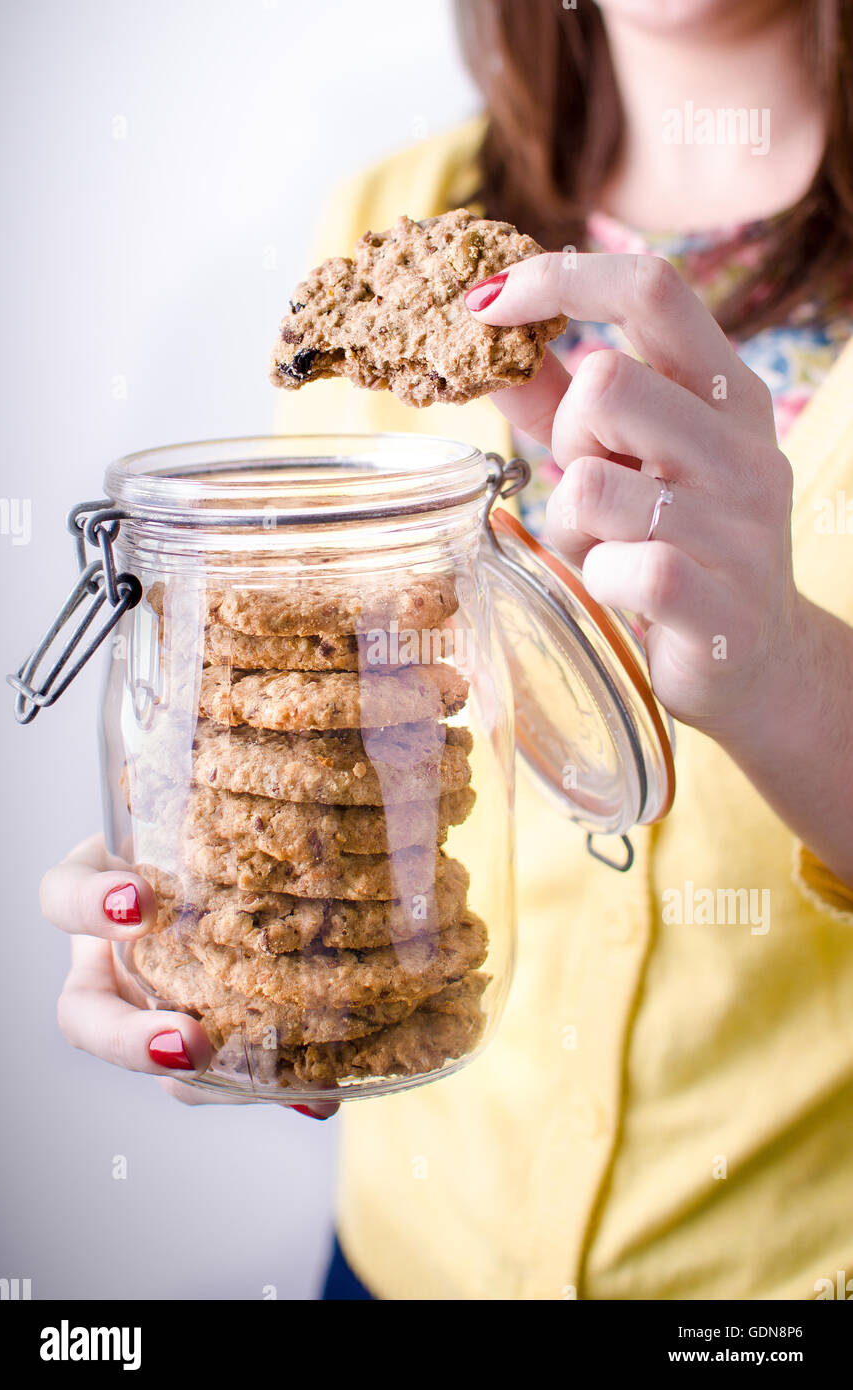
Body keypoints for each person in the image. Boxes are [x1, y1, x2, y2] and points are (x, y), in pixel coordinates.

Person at [41, 0, 853, 1300]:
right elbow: (293, 714)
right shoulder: (388, 228)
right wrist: (198, 913)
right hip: (401, 1260)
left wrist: (788, 672)